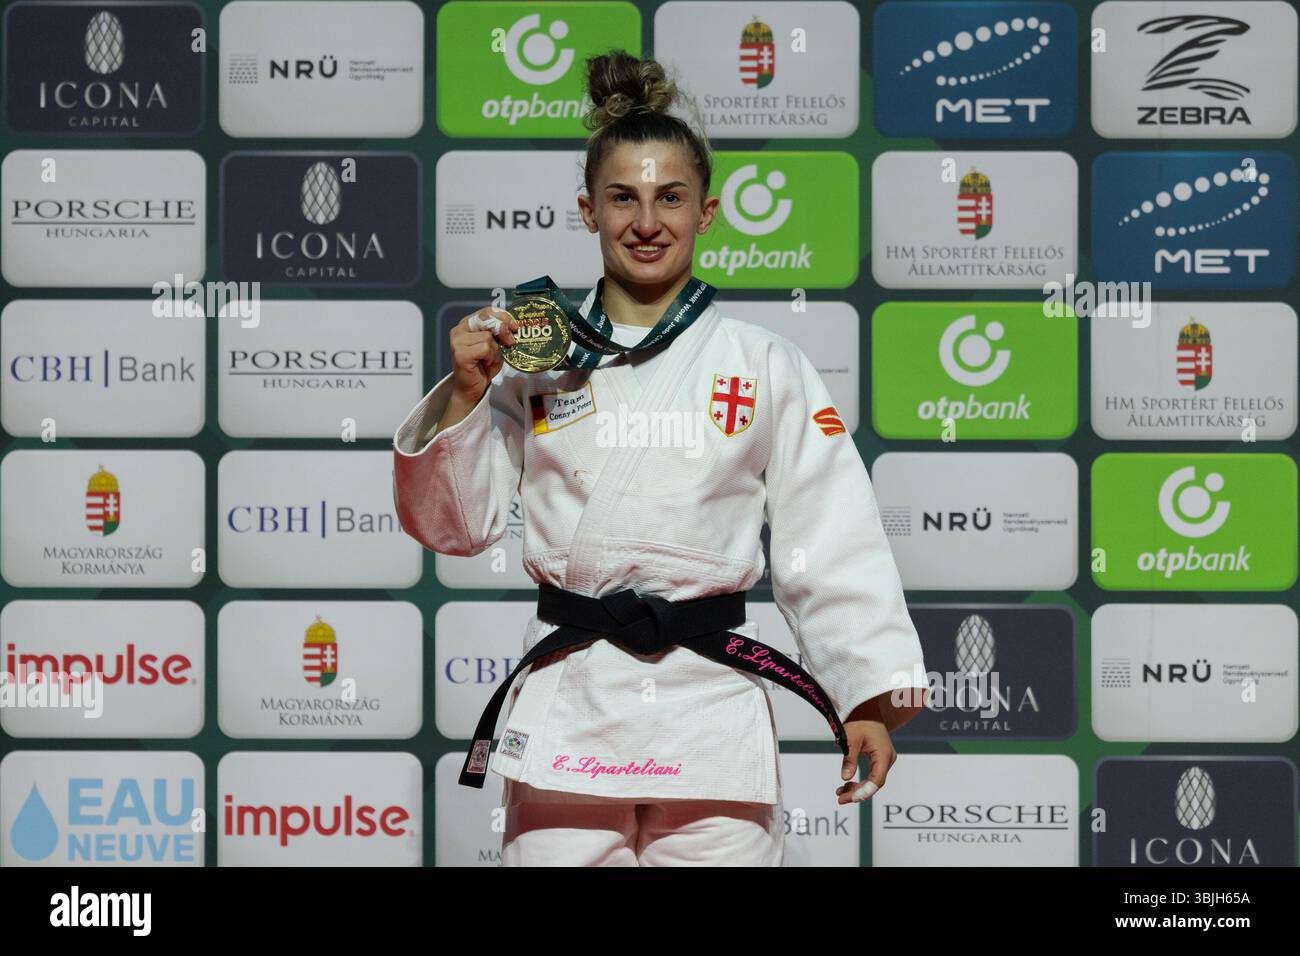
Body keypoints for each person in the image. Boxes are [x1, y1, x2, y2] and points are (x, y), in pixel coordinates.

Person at [392, 49, 927, 867]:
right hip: (576, 699)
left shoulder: (764, 363)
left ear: (706, 212)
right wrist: (464, 395)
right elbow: (453, 529)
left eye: (670, 197)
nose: (648, 221)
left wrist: (865, 698)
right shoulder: (534, 356)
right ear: (588, 211)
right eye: (623, 199)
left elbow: (833, 535)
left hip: (710, 705)